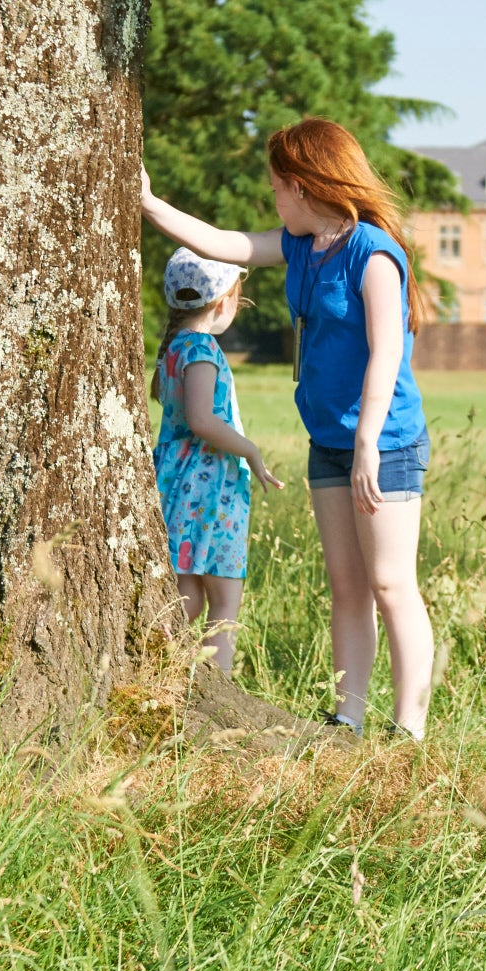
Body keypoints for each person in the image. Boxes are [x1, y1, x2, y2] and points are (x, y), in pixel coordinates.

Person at [140, 118, 438, 738]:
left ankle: (409, 729)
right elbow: (221, 242)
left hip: (383, 444)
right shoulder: (303, 245)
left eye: (276, 187)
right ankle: (347, 718)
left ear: (301, 186)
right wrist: (144, 200)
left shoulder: (374, 252)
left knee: (389, 582)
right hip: (329, 440)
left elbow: (387, 353)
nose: (273, 198)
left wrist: (366, 447)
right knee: (347, 584)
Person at [151, 247, 284, 679]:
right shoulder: (202, 348)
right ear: (223, 302)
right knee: (224, 603)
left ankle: (167, 679)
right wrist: (249, 449)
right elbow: (202, 419)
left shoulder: (172, 348)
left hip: (176, 480)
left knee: (185, 596)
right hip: (209, 486)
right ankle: (217, 688)